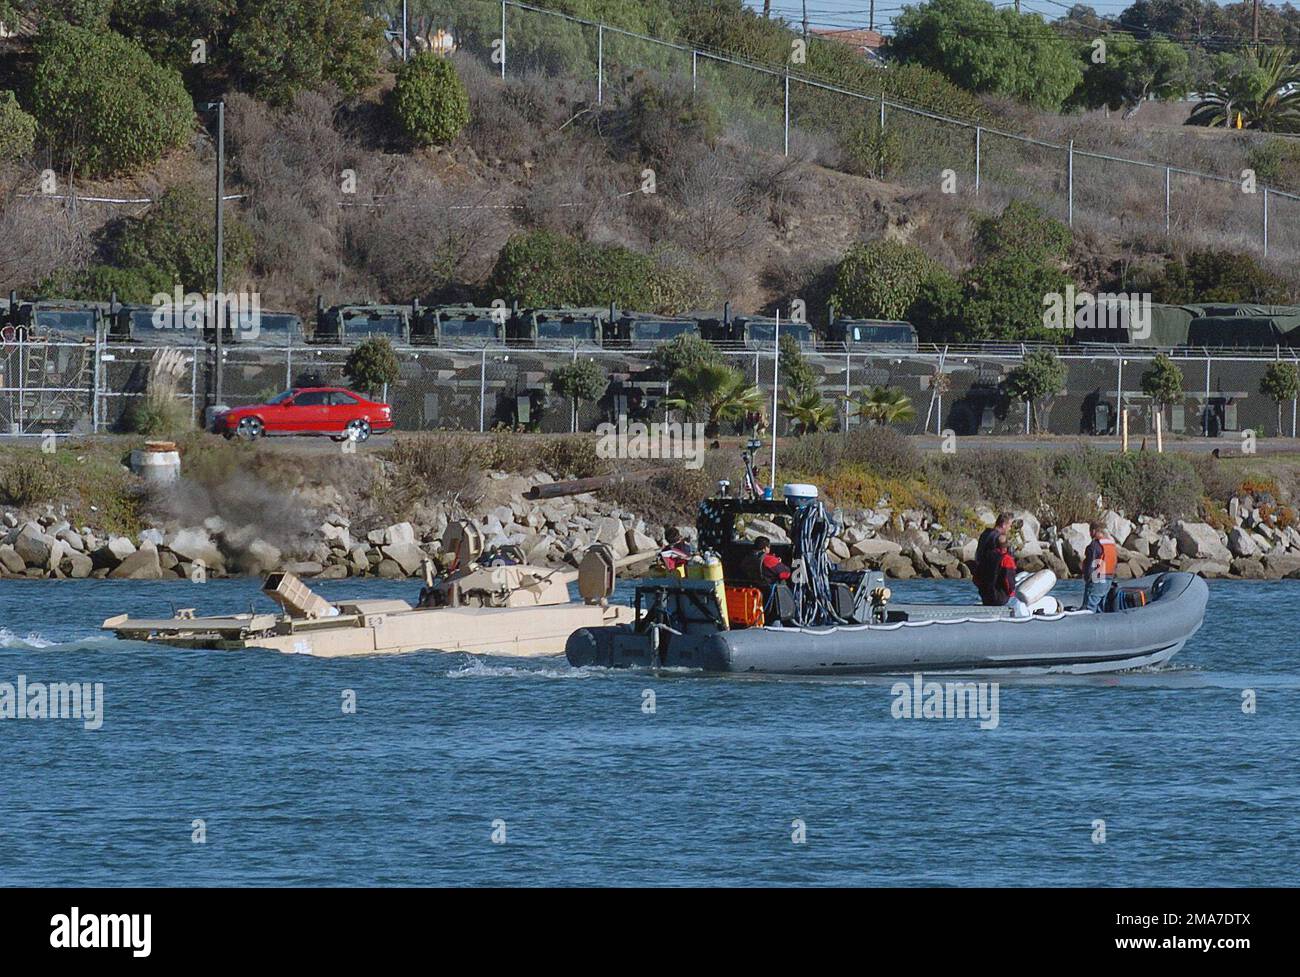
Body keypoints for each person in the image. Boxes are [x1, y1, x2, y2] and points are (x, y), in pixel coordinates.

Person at [974, 512, 1015, 606]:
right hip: (998, 591)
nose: (1010, 528)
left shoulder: (985, 535)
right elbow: (1006, 570)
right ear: (1004, 525)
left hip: (984, 588)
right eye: (1009, 525)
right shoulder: (997, 539)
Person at [1082, 520, 1117, 612]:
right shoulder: (1111, 545)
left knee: (1089, 607)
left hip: (1097, 578)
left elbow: (1091, 564)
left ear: (1093, 531)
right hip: (1109, 579)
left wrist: (1087, 578)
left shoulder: (1094, 545)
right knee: (1101, 607)